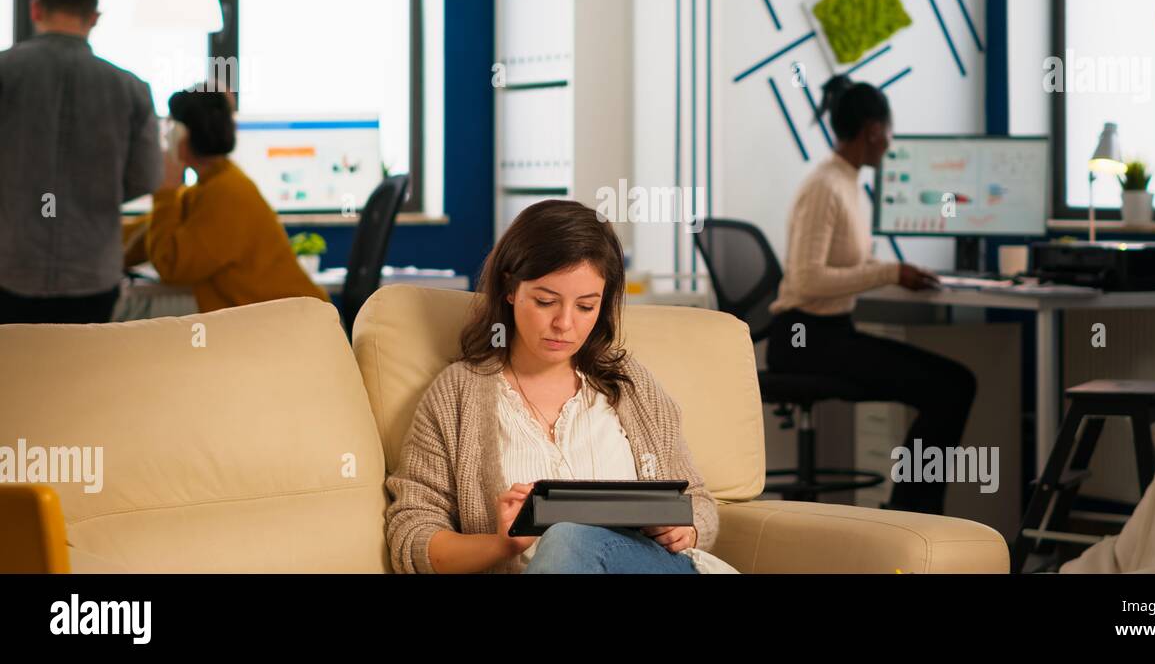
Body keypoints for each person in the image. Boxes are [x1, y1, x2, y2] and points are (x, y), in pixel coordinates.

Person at [385, 200, 735, 574]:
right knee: (564, 540)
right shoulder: (457, 395)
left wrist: (686, 531)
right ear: (509, 288)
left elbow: (696, 502)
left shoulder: (631, 385)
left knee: (568, 536)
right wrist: (502, 545)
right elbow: (413, 534)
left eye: (586, 307)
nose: (564, 323)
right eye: (545, 301)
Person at [766, 75, 976, 516]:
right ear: (874, 131)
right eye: (889, 131)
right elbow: (806, 280)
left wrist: (887, 273)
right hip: (806, 340)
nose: (890, 141)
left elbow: (834, 270)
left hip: (830, 334)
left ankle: (910, 513)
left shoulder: (846, 183)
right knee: (952, 387)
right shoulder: (827, 186)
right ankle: (911, 517)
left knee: (952, 385)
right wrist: (889, 272)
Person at [0, 0, 161, 324]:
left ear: (35, 10)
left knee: (12, 376)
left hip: (10, 266)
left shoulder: (5, 72)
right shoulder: (131, 88)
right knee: (81, 376)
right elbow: (147, 177)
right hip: (91, 274)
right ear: (94, 18)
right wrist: (89, 194)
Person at [121, 88, 330, 312]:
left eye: (169, 128)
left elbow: (171, 265)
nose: (164, 137)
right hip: (278, 325)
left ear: (179, 134)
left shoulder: (226, 193)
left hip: (298, 327)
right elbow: (150, 234)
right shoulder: (210, 186)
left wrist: (165, 190)